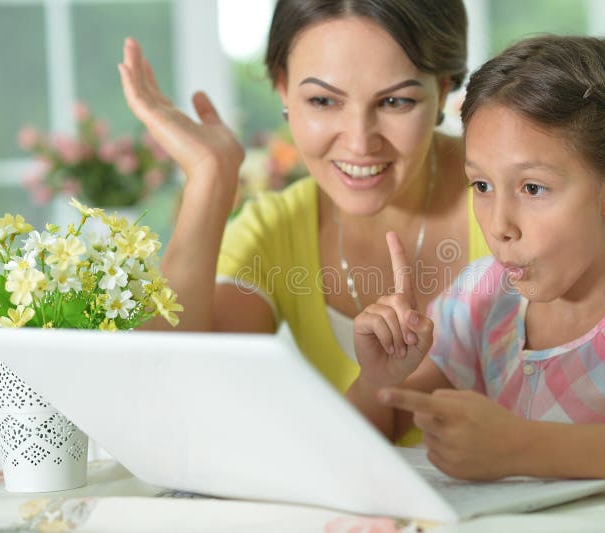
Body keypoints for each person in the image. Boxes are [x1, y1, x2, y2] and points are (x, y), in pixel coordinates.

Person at [346, 35, 605, 489]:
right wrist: (378, 380)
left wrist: (525, 446)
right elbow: (360, 444)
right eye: (482, 186)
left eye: (533, 188)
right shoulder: (483, 298)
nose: (499, 224)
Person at [117, 0, 489, 395]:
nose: (360, 142)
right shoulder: (275, 230)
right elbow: (167, 389)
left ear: (443, 88)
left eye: (395, 101)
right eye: (324, 101)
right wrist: (210, 178)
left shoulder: (516, 192)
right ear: (283, 89)